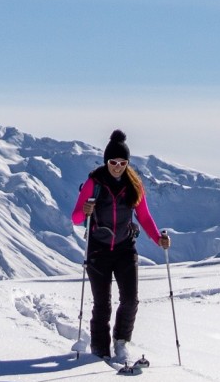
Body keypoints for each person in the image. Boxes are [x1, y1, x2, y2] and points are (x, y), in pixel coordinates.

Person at [71, 130, 170, 361]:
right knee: (102, 304)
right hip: (98, 249)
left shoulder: (133, 185)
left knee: (130, 300)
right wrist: (85, 211)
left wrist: (158, 239)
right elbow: (75, 217)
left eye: (122, 162)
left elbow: (144, 217)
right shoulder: (94, 183)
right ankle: (100, 349)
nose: (117, 166)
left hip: (125, 247)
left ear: (127, 163)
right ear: (106, 161)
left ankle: (121, 342)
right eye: (113, 162)